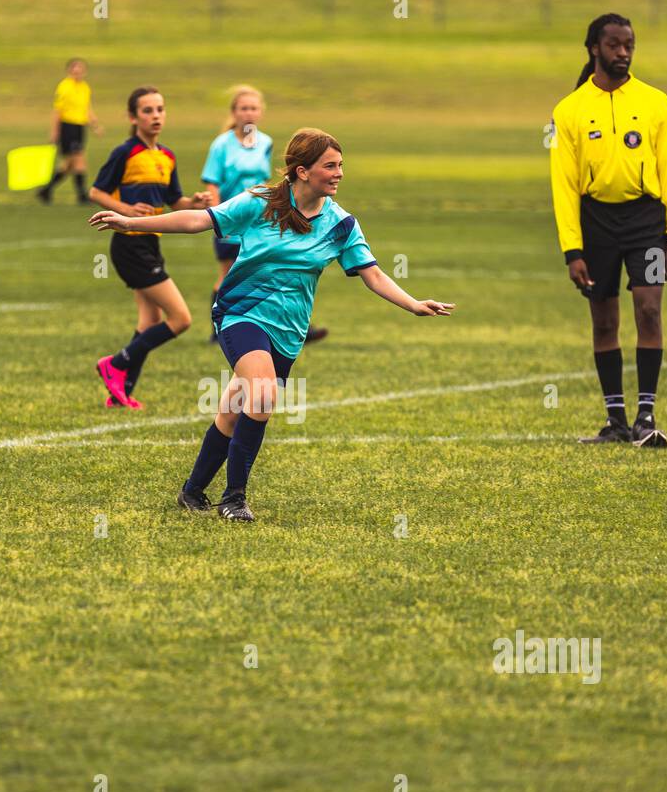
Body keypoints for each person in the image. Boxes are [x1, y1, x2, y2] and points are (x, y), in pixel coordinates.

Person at [89, 128, 455, 521]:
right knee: (262, 395)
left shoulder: (341, 224)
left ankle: (193, 491)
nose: (339, 173)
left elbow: (374, 275)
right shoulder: (261, 202)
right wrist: (131, 223)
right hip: (240, 313)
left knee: (232, 410)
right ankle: (234, 498)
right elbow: (200, 219)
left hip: (288, 331)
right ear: (302, 171)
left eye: (341, 165)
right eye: (330, 166)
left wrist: (414, 305)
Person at [549, 13, 667, 447]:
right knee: (604, 322)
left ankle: (646, 417)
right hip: (595, 223)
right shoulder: (568, 111)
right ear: (594, 49)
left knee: (649, 310)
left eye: (628, 45)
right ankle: (616, 422)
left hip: (647, 219)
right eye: (614, 45)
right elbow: (564, 186)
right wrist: (573, 250)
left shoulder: (656, 103)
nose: (622, 53)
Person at [90, 87, 212, 409]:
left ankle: (121, 392)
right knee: (181, 318)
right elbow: (96, 191)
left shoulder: (167, 156)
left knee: (149, 321)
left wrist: (193, 202)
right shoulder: (125, 152)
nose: (155, 115)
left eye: (160, 109)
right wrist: (125, 211)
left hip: (151, 243)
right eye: (147, 110)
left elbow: (174, 202)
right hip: (130, 246)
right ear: (133, 117)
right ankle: (115, 363)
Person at [201, 86, 328, 345]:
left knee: (270, 270)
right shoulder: (222, 145)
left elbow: (266, 181)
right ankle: (219, 326)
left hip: (260, 218)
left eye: (253, 108)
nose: (248, 114)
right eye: (243, 108)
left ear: (261, 113)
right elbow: (212, 183)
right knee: (229, 272)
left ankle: (288, 325)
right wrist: (218, 219)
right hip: (234, 217)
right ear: (234, 113)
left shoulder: (266, 142)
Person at [38, 58, 104, 205]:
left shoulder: (85, 87)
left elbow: (86, 109)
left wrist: (95, 125)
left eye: (80, 69)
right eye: (74, 68)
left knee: (67, 164)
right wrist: (55, 132)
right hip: (68, 127)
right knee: (79, 161)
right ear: (69, 70)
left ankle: (46, 190)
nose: (77, 72)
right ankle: (82, 196)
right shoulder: (64, 87)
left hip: (80, 128)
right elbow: (57, 111)